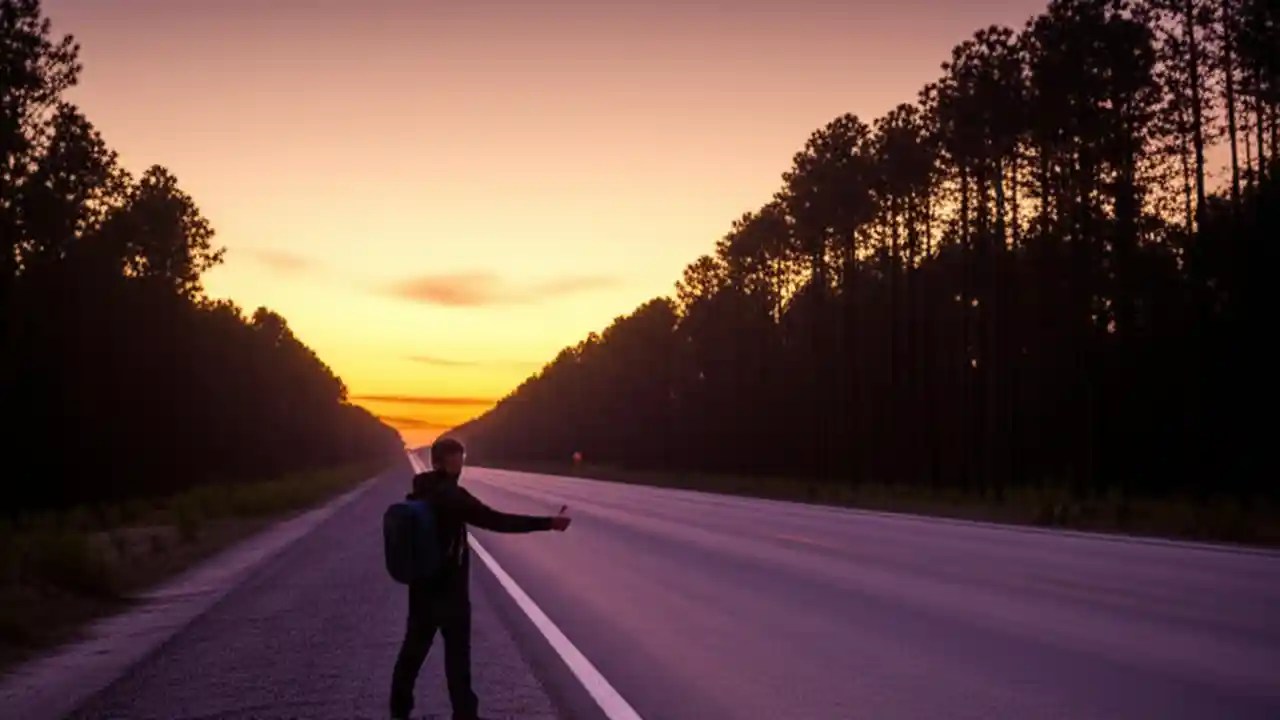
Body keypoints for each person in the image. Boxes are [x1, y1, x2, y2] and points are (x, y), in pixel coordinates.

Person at [391, 437, 570, 720]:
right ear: (443, 462)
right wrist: (547, 523)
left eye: (461, 458)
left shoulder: (420, 492)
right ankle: (465, 715)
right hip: (451, 593)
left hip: (422, 589)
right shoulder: (452, 496)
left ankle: (399, 710)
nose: (460, 465)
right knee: (458, 660)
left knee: (412, 653)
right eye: (456, 460)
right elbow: (497, 521)